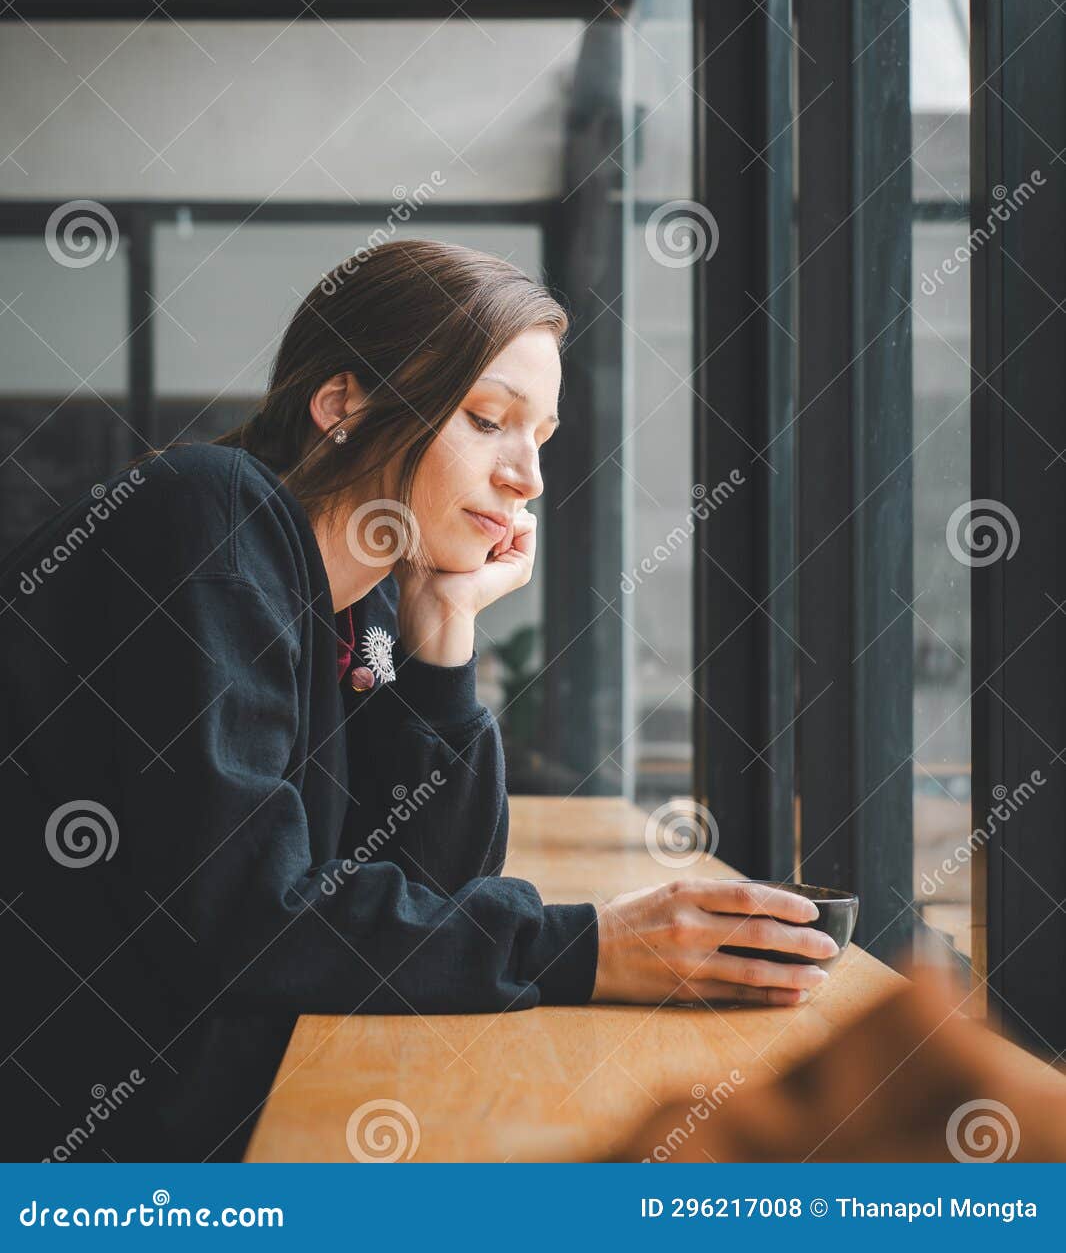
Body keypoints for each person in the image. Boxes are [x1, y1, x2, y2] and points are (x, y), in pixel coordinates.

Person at [0, 239, 838, 1161]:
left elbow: (430, 895)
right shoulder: (214, 518)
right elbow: (246, 915)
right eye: (487, 419)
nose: (528, 477)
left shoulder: (355, 609)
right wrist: (586, 948)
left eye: (540, 438)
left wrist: (443, 618)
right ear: (341, 407)